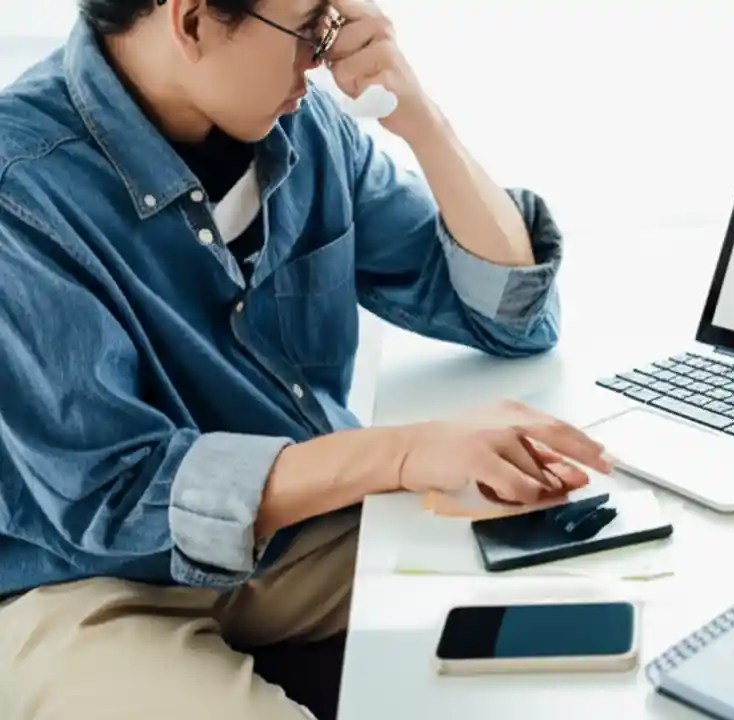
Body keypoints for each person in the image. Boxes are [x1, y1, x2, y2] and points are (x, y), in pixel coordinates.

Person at [0, 0, 612, 716]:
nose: (326, 53)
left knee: (584, 580)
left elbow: (509, 315)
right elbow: (112, 495)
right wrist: (404, 452)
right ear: (192, 21)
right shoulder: (21, 190)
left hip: (292, 533)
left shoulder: (302, 131)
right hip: (79, 583)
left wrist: (422, 119)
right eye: (309, 23)